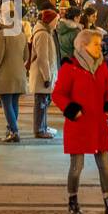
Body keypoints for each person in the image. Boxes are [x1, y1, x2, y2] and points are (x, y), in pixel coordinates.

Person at [54, 29, 108, 214]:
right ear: (83, 45)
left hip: (99, 124)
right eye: (95, 43)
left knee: (105, 165)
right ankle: (73, 201)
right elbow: (58, 94)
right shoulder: (70, 67)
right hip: (78, 124)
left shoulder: (101, 66)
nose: (100, 46)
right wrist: (72, 109)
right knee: (77, 167)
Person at [0, 2, 28, 142]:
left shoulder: (3, 34)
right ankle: (11, 129)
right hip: (19, 73)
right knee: (14, 103)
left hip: (6, 74)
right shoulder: (21, 33)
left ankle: (14, 131)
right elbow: (26, 56)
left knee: (6, 103)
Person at [28, 8, 59, 138]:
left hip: (45, 74)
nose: (56, 24)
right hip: (42, 76)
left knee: (44, 102)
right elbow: (42, 58)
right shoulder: (42, 34)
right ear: (49, 21)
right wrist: (47, 77)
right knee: (41, 103)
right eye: (55, 21)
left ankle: (43, 127)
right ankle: (39, 129)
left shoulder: (46, 32)